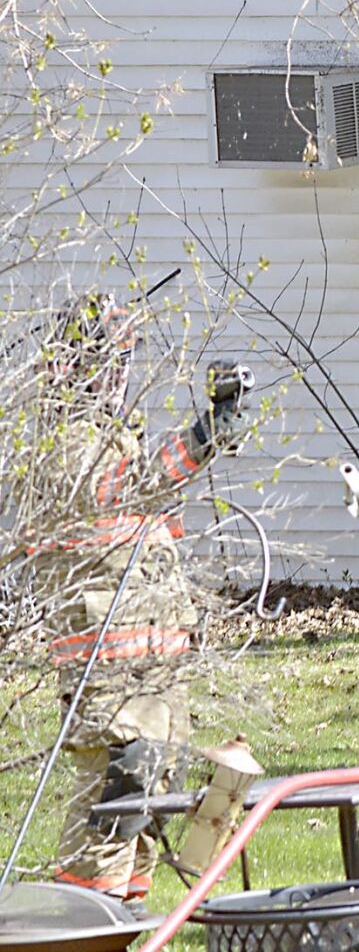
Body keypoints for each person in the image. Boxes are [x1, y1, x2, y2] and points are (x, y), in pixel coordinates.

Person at [30, 294, 246, 901]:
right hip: (109, 668)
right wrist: (201, 438)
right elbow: (127, 489)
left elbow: (150, 520)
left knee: (149, 802)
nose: (121, 375)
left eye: (125, 359)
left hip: (153, 666)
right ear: (80, 364)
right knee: (116, 798)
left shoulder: (115, 438)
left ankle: (126, 928)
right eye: (112, 360)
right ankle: (74, 923)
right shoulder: (68, 442)